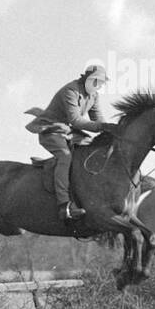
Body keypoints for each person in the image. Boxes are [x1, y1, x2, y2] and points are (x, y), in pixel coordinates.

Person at [25, 64, 109, 221]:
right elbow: (76, 120)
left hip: (69, 133)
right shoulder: (70, 90)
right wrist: (102, 126)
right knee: (65, 157)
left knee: (92, 150)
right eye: (96, 82)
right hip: (51, 131)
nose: (98, 86)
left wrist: (111, 129)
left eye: (101, 83)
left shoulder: (94, 95)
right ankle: (64, 205)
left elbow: (98, 119)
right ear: (87, 79)